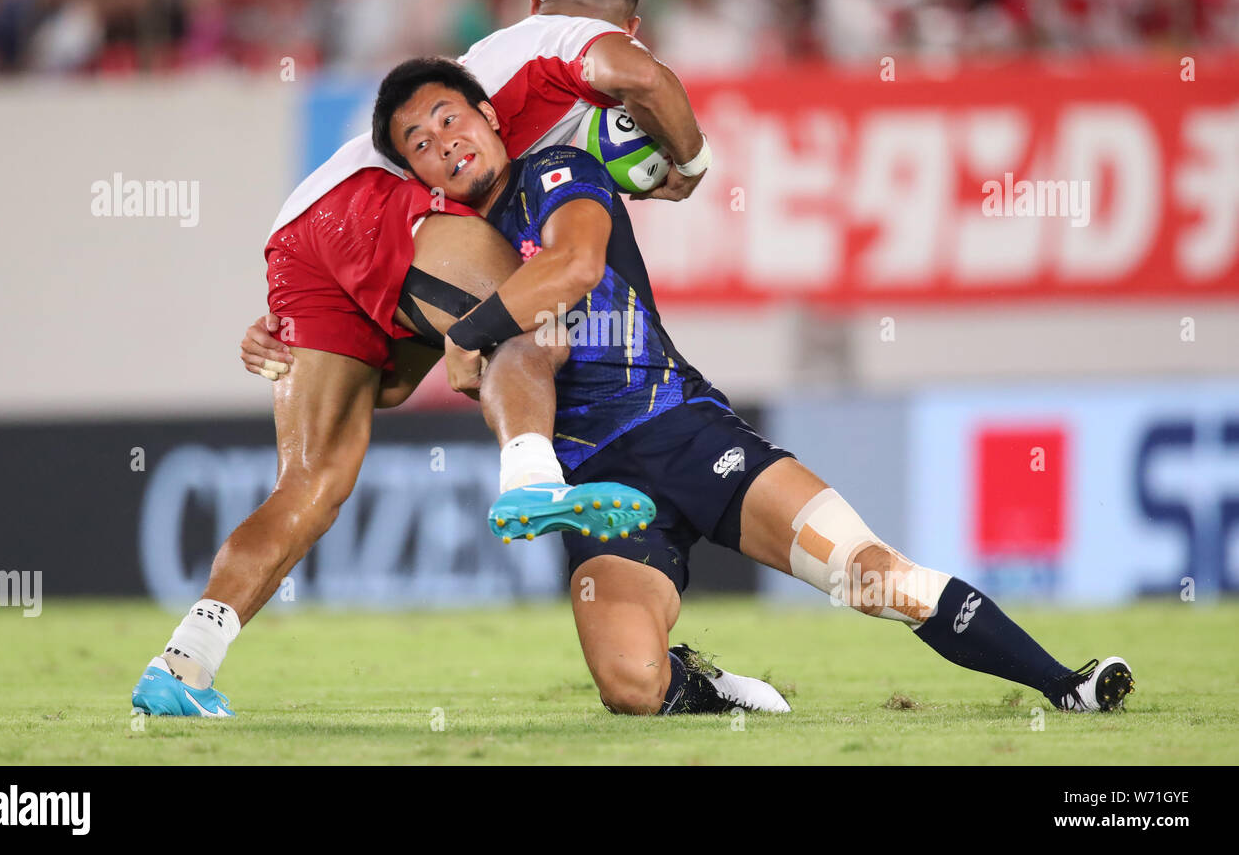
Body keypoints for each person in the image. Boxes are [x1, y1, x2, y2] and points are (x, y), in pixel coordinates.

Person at [254, 55, 1133, 718]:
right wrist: (290, 342)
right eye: (420, 143)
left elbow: (574, 265)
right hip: (597, 486)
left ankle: (1067, 683)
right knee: (632, 687)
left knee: (869, 578)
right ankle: (701, 685)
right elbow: (389, 385)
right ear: (417, 174)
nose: (443, 142)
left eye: (450, 118)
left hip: (681, 430)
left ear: (489, 117)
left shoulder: (555, 172)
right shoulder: (443, 260)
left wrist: (474, 334)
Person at [132, 0, 764, 718]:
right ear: (627, 24)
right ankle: (532, 478)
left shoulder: (519, 130)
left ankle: (184, 664)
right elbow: (645, 79)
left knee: (312, 482)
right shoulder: (566, 40)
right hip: (381, 202)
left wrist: (292, 342)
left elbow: (392, 384)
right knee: (537, 308)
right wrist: (692, 167)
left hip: (303, 225)